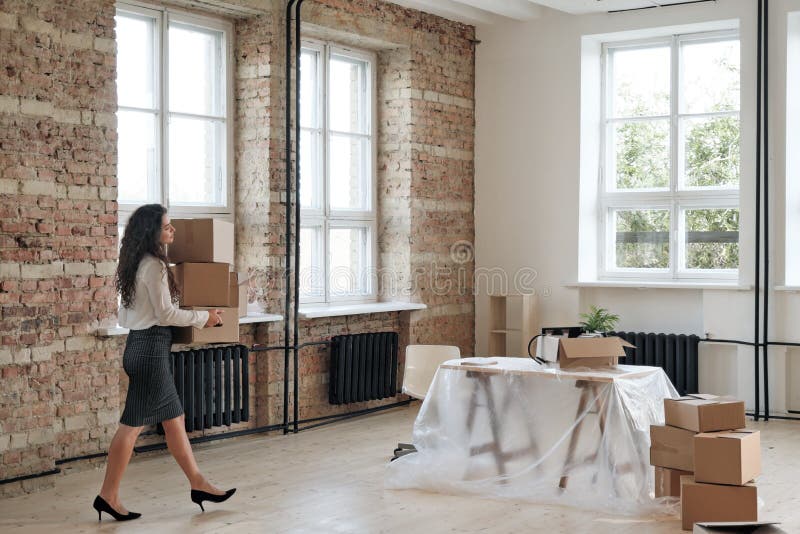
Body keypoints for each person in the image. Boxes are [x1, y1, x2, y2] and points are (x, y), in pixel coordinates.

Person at [93, 204, 235, 521]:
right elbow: (166, 314)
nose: (172, 231)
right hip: (151, 352)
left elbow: (129, 314)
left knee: (174, 420)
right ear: (151, 231)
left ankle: (198, 483)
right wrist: (205, 317)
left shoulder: (133, 264)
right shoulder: (154, 266)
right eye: (167, 227)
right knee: (131, 428)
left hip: (139, 347)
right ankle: (108, 495)